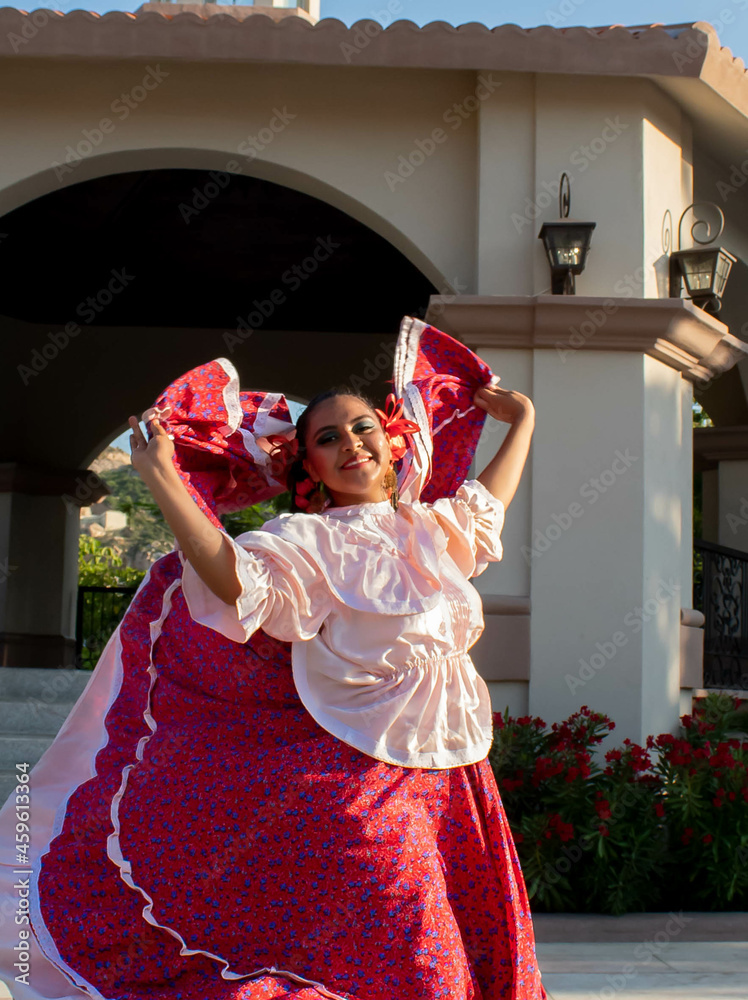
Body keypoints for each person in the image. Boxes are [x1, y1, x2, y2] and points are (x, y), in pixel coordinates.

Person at [0, 316, 546, 1000]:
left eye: (362, 427)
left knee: (445, 953)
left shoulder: (433, 531)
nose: (351, 442)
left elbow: (487, 503)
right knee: (420, 959)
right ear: (308, 469)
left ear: (391, 438)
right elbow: (235, 584)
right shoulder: (308, 541)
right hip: (365, 784)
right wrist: (161, 478)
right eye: (328, 437)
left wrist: (520, 420)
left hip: (455, 778)